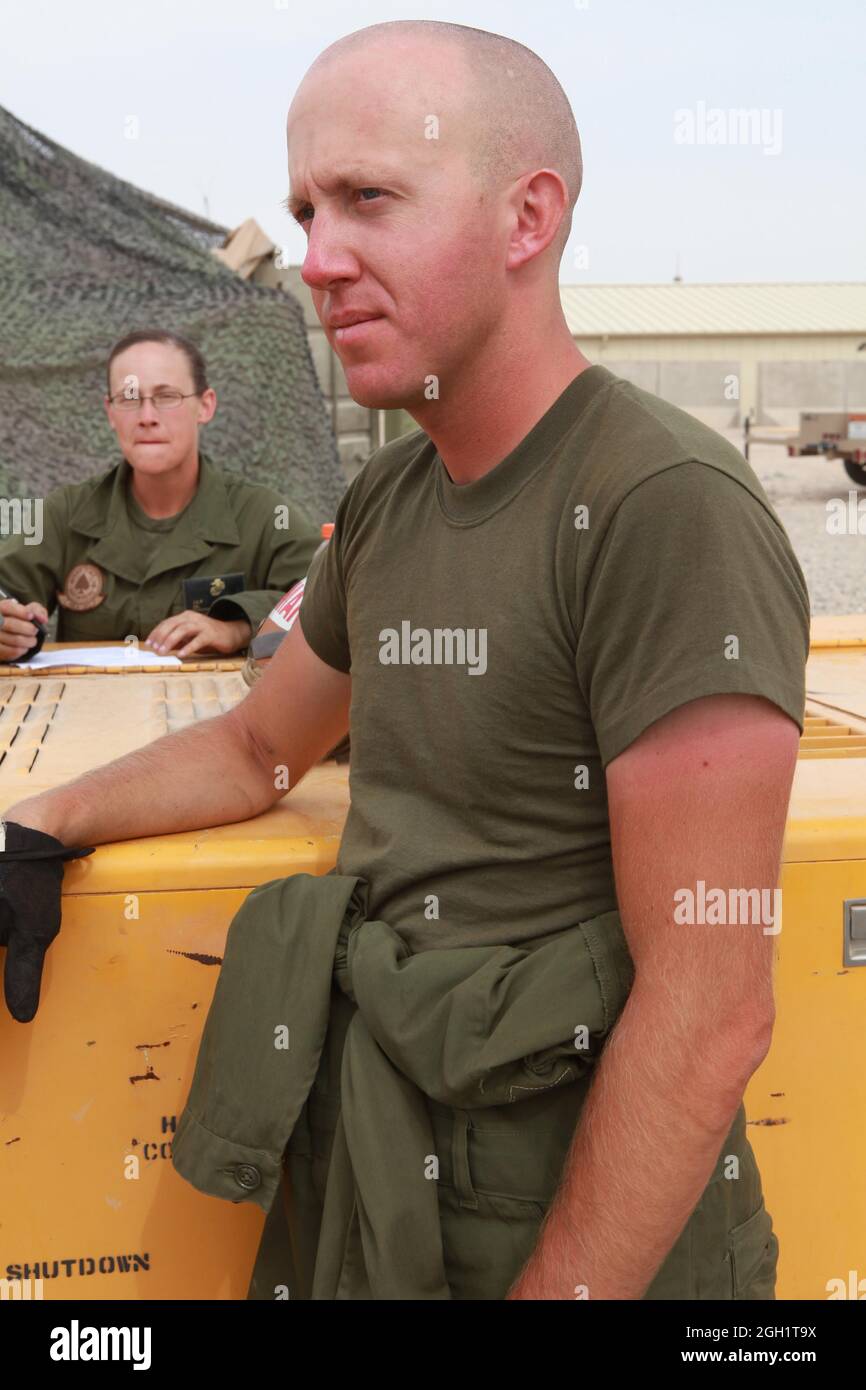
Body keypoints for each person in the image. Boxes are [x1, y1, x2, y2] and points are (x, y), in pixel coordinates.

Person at [0, 20, 809, 1301]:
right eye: (306, 210)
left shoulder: (663, 507)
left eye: (368, 199)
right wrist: (42, 820)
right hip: (384, 1176)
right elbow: (261, 745)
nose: (319, 261)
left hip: (574, 1210)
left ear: (524, 216)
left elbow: (710, 1008)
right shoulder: (394, 500)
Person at [0, 330, 320, 661]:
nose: (147, 417)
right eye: (129, 398)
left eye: (166, 397)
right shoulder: (65, 514)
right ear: (110, 412)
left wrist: (238, 628)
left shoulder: (265, 517)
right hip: (91, 706)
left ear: (205, 406)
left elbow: (324, 598)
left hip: (215, 708)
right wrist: (8, 629)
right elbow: (6, 592)